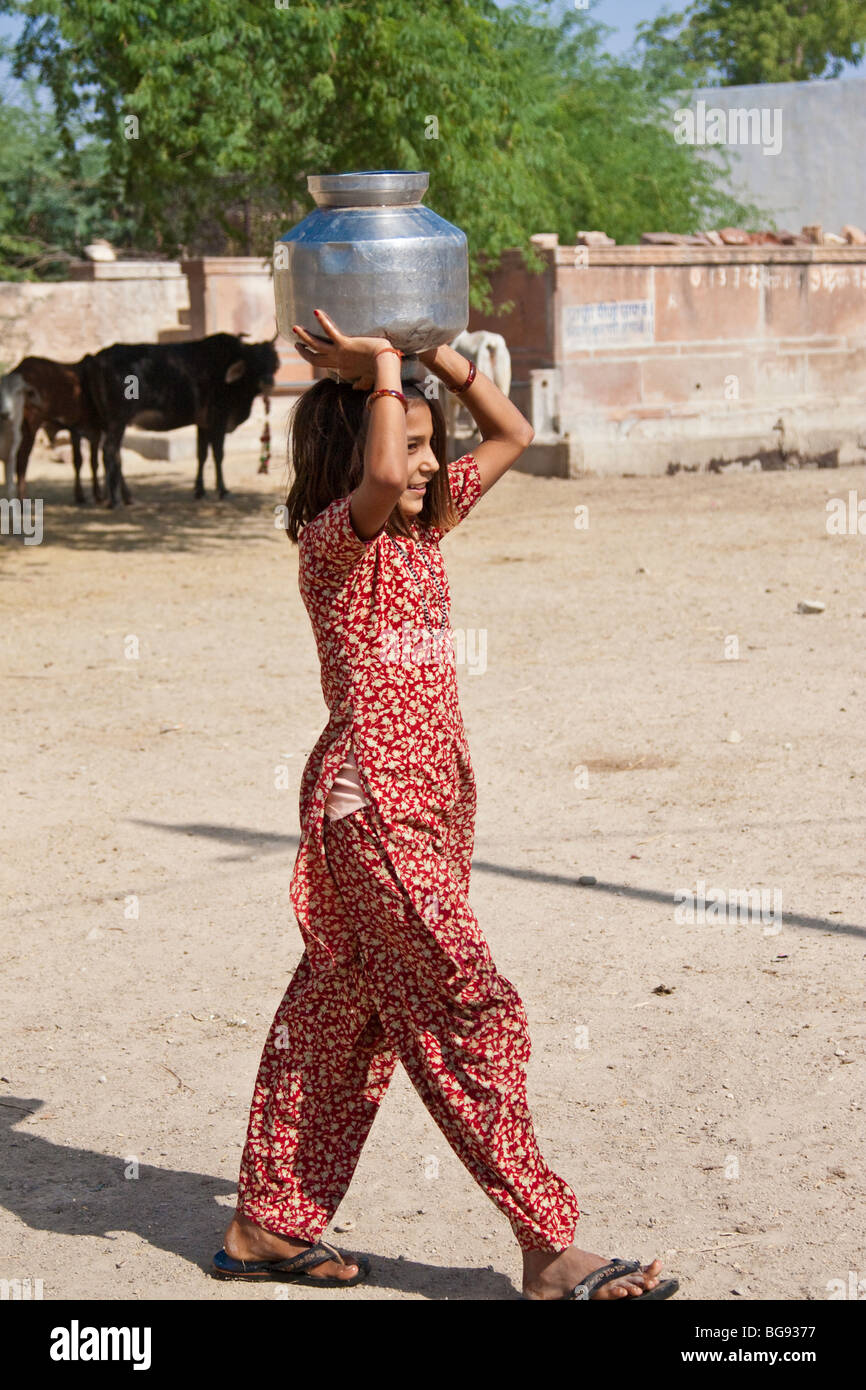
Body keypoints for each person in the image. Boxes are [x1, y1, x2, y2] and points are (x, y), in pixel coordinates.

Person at [211, 309, 678, 1301]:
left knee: (340, 1016)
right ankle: (548, 1247)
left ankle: (266, 1221)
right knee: (471, 1007)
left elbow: (509, 432)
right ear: (353, 451)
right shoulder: (335, 541)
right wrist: (380, 364)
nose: (423, 467)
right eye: (409, 446)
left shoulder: (429, 526)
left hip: (422, 809)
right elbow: (380, 478)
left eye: (428, 450)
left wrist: (433, 360)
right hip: (372, 811)